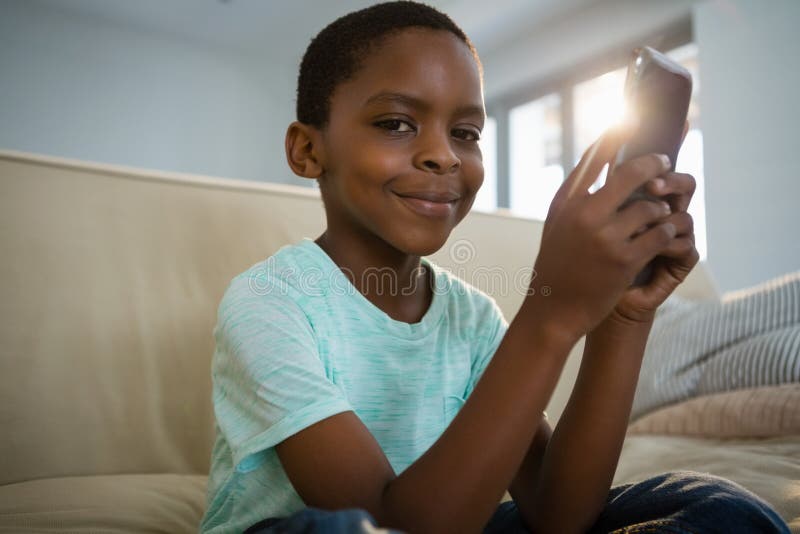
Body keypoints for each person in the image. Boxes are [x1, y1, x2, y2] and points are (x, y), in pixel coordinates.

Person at [199, 2, 791, 533]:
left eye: (466, 132)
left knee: (715, 506)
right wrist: (550, 314)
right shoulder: (269, 301)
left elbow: (559, 515)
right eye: (396, 123)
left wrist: (623, 315)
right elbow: (393, 526)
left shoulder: (471, 317)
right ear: (308, 150)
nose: (443, 154)